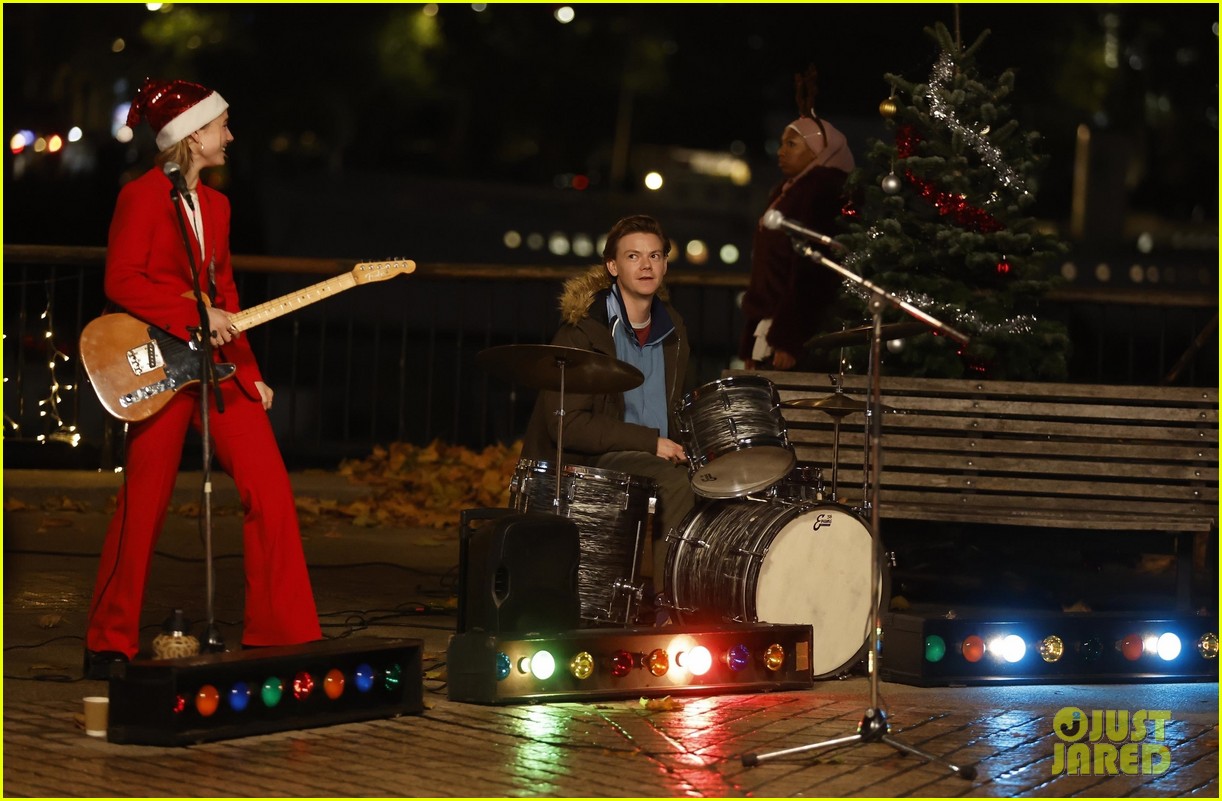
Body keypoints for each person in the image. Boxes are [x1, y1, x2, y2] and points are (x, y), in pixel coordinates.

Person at [83, 78, 322, 679]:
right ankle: (108, 640)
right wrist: (192, 314)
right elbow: (123, 281)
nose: (230, 134)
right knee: (145, 500)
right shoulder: (140, 197)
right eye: (221, 126)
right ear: (192, 137)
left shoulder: (218, 205)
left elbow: (227, 297)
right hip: (158, 363)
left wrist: (251, 371)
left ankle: (281, 635)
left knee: (269, 489)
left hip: (217, 369)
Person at [520, 215, 694, 623]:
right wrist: (650, 442)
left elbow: (676, 407)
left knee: (721, 481)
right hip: (589, 462)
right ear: (612, 267)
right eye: (633, 256)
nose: (646, 266)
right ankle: (672, 607)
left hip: (654, 451)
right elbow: (568, 425)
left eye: (655, 255)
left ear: (665, 265)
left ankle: (709, 594)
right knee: (673, 481)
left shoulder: (674, 328)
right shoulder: (585, 330)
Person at [740, 65, 856, 372]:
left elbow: (810, 269)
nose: (781, 152)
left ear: (818, 152)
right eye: (781, 143)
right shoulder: (788, 190)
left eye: (791, 144)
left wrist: (788, 338)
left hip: (794, 330)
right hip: (772, 322)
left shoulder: (820, 191)